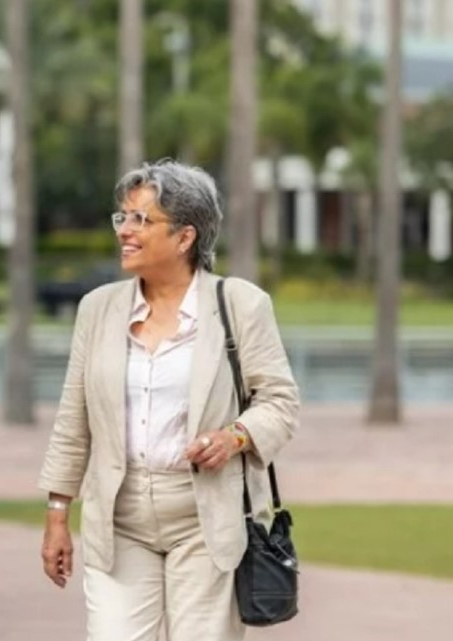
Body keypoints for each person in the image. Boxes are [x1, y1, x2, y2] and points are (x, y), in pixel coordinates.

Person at [37, 160, 300, 641]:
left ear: (185, 238)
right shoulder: (97, 309)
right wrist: (58, 513)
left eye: (142, 219)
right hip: (120, 520)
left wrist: (235, 436)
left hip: (206, 520)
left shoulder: (240, 304)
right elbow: (73, 419)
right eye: (123, 218)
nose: (125, 232)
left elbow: (281, 401)